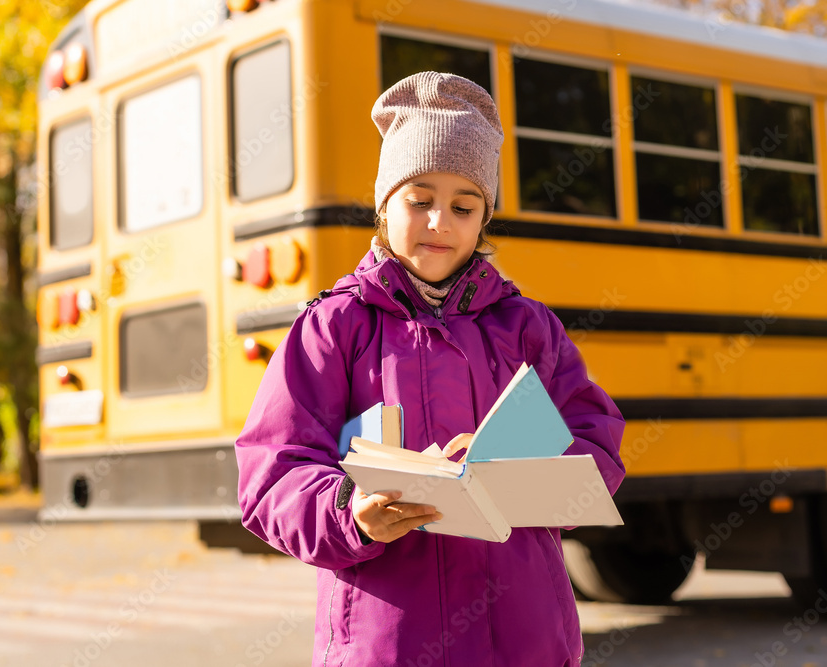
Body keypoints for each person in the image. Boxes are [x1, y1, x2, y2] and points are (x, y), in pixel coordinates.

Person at [234, 71, 625, 666]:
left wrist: (534, 475)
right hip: (387, 643)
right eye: (419, 201)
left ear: (482, 219)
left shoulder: (528, 328)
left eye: (463, 206)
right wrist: (349, 513)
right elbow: (272, 473)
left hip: (524, 642)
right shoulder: (333, 328)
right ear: (384, 206)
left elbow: (594, 440)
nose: (440, 221)